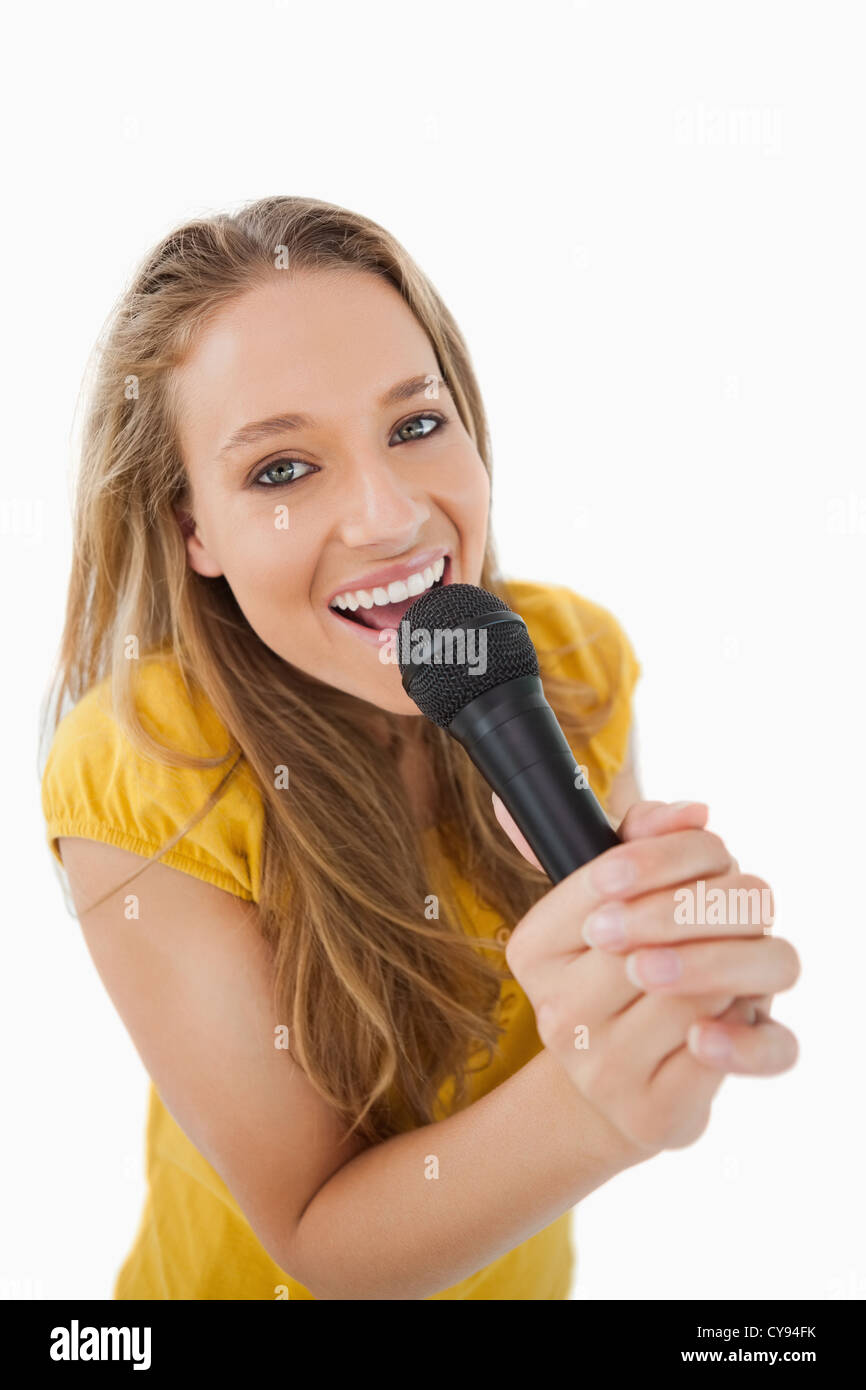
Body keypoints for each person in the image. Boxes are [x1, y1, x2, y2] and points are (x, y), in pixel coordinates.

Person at [39, 195, 800, 1300]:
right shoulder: (142, 768)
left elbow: (611, 991)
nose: (390, 516)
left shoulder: (572, 662)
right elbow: (318, 1241)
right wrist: (593, 1106)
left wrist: (671, 978)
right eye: (281, 470)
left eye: (413, 425)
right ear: (191, 528)